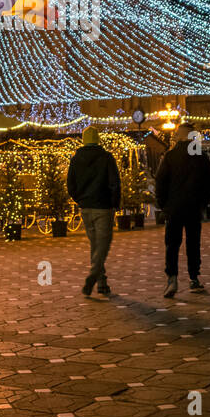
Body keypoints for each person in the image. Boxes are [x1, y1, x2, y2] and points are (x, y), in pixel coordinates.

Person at [155, 123, 210, 298]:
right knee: (193, 243)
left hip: (174, 208)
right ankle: (194, 278)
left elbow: (160, 182)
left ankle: (172, 278)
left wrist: (163, 205)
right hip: (193, 208)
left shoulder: (170, 156)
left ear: (179, 136)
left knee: (172, 244)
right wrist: (203, 203)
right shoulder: (200, 157)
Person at [67, 126, 122, 297]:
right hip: (103, 207)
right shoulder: (106, 157)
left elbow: (71, 184)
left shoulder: (76, 159)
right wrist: (114, 203)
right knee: (102, 245)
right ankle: (94, 275)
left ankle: (102, 282)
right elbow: (115, 182)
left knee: (95, 245)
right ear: (97, 139)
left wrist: (80, 199)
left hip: (86, 207)